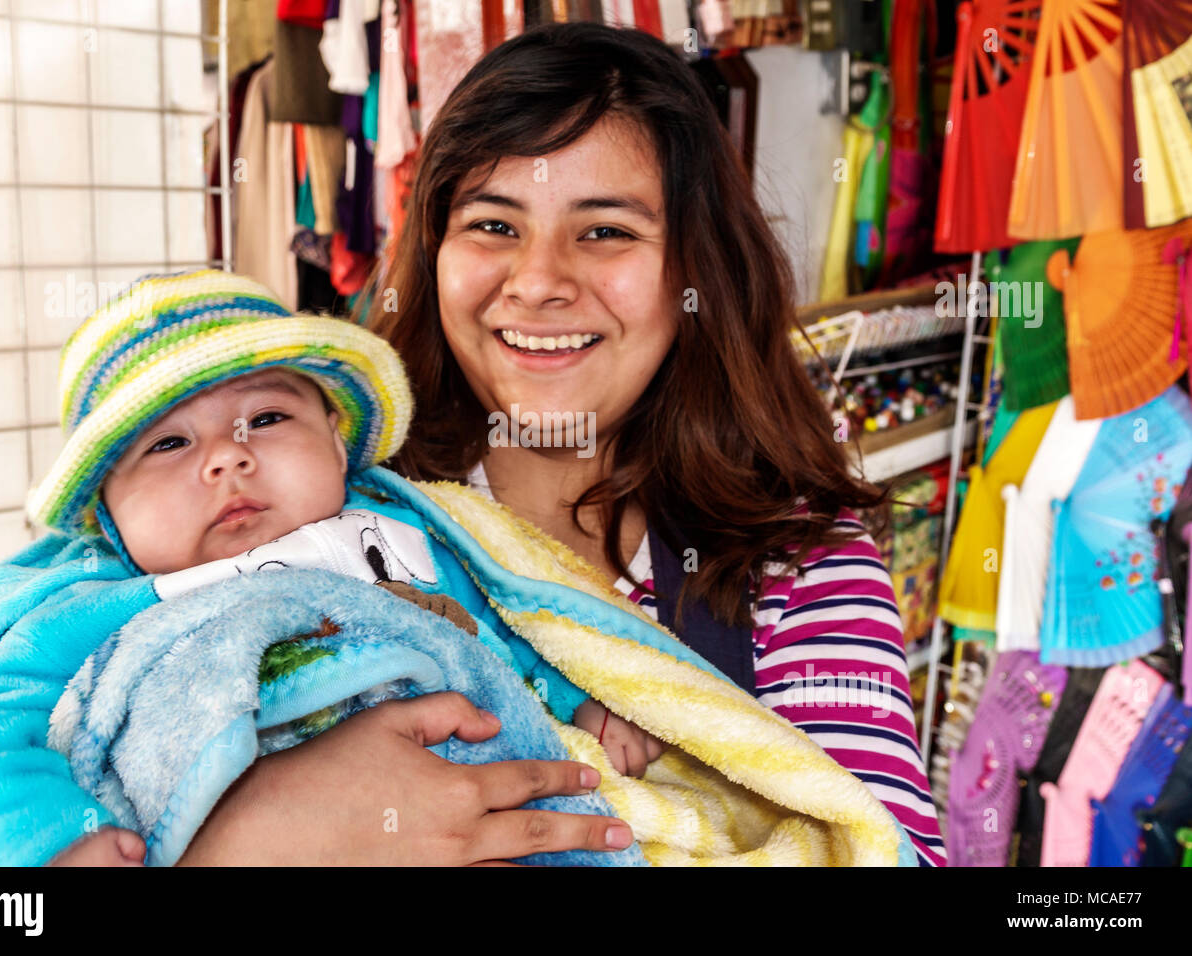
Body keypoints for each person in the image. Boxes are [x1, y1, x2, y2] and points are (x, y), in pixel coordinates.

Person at [359, 21, 947, 865]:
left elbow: (886, 850)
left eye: (606, 232)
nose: (538, 282)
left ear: (695, 271)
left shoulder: (796, 576)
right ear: (433, 250)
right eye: (493, 224)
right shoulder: (340, 518)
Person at [0, 269, 666, 867]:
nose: (228, 456)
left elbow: (512, 616)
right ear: (108, 515)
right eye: (168, 445)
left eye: (266, 419)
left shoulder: (397, 533)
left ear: (337, 444)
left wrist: (579, 699)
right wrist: (48, 843)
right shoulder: (86, 605)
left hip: (475, 804)